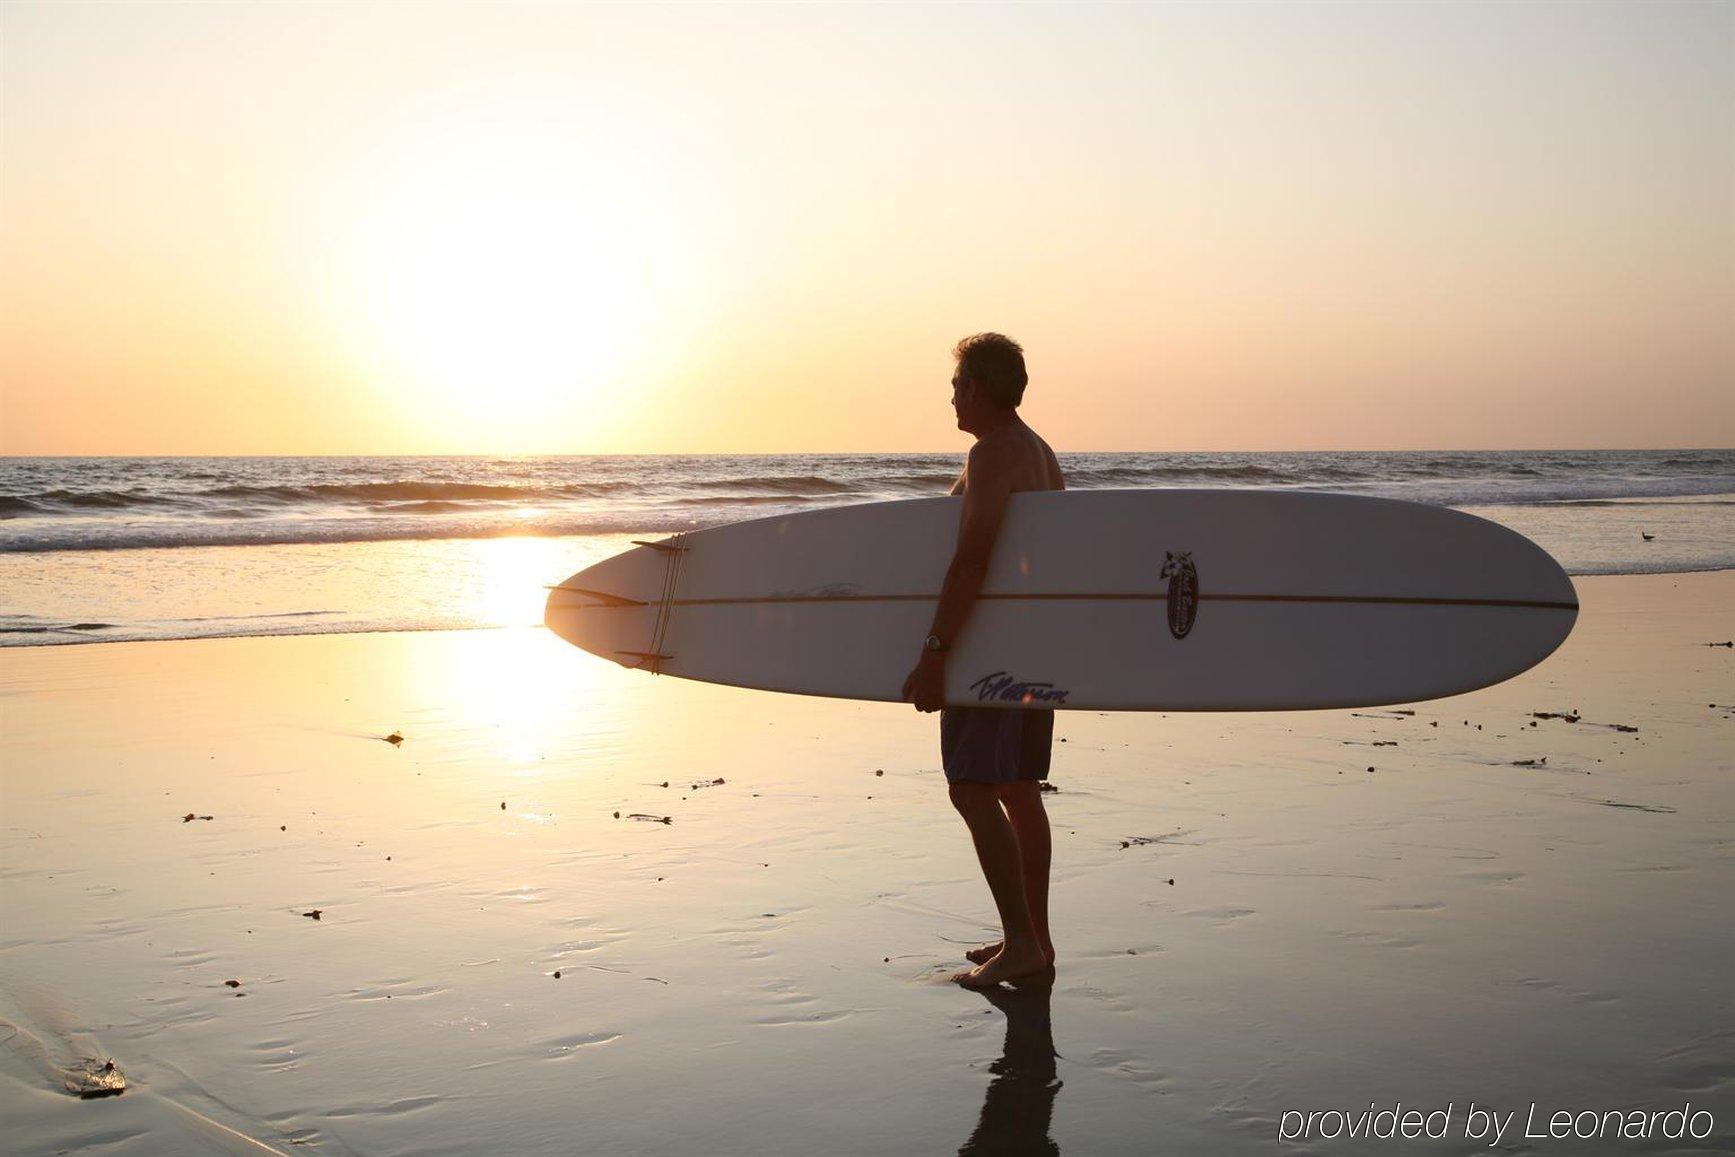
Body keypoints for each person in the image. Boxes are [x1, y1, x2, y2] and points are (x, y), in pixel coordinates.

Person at [902, 333, 1064, 989]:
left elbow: (972, 557)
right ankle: (1032, 937)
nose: (950, 396)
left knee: (971, 787)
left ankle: (1023, 941)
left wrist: (936, 651)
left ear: (974, 388)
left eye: (955, 385)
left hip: (991, 650)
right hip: (1030, 644)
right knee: (1017, 788)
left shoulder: (993, 451)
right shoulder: (1037, 450)